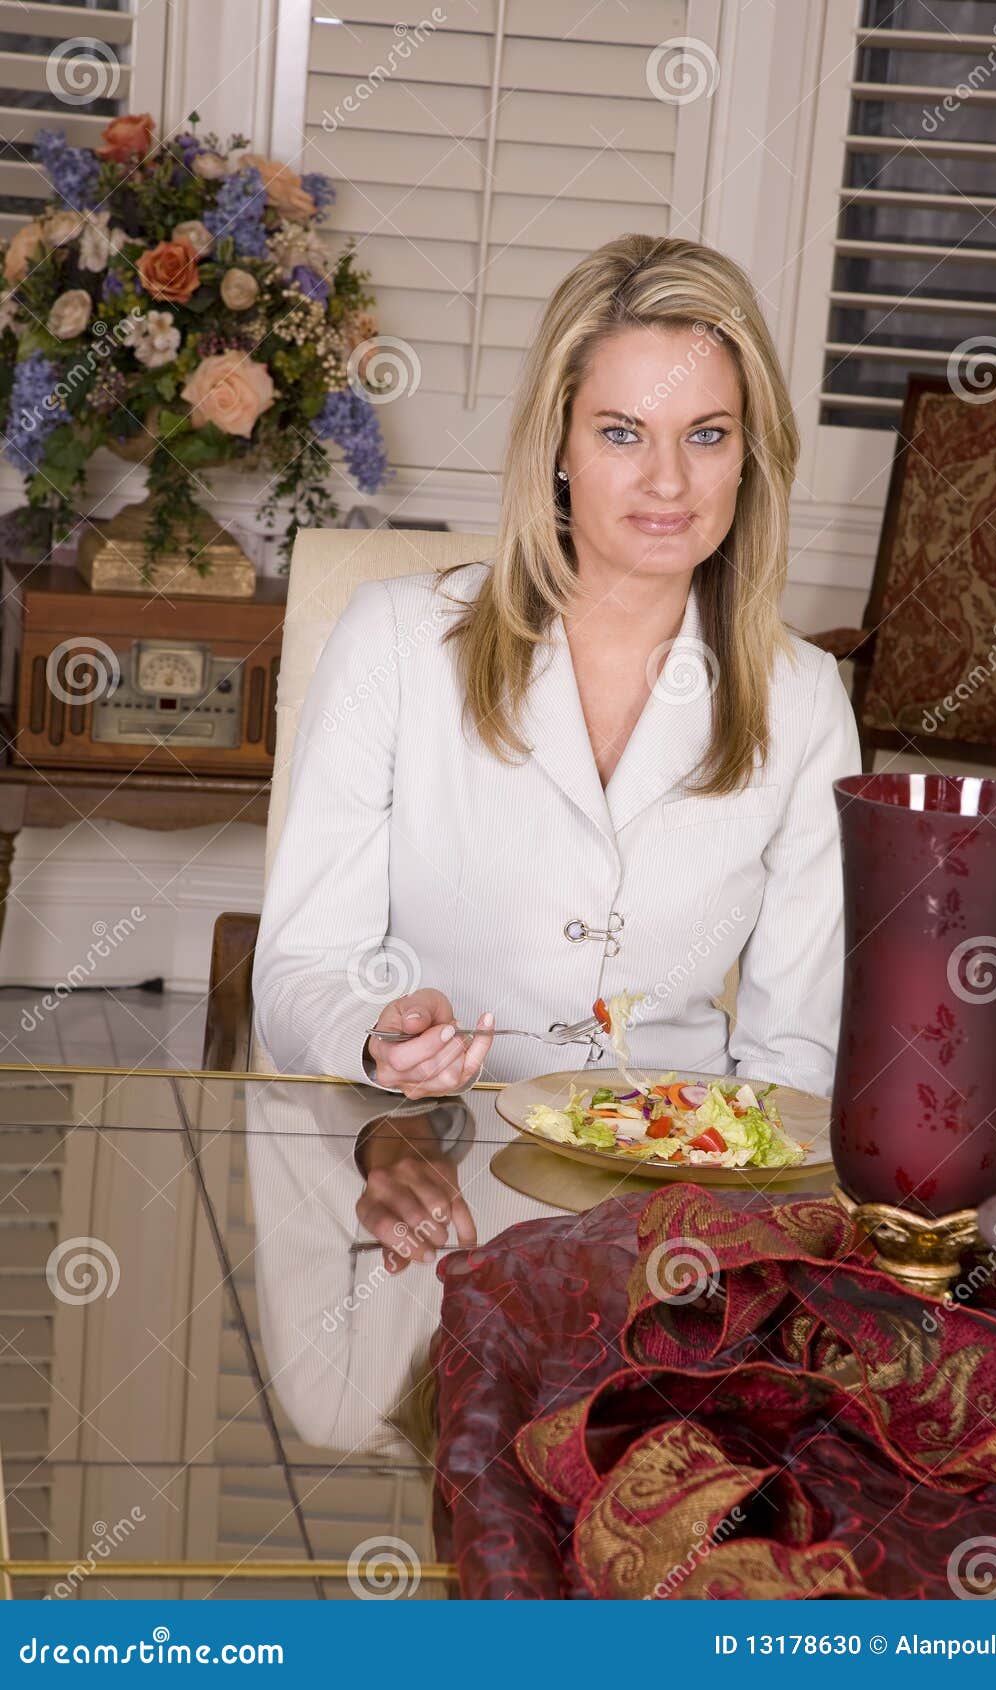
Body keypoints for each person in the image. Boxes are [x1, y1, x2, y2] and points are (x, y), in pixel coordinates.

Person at [251, 233, 861, 1253]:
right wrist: (377, 1037)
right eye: (622, 432)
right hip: (424, 1181)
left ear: (750, 454)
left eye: (706, 435)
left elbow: (791, 1060)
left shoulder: (803, 701)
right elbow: (300, 971)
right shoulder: (395, 642)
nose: (668, 480)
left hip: (679, 1215)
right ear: (557, 448)